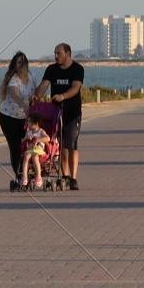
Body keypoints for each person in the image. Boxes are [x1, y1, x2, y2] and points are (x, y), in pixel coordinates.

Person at [36, 43, 85, 190]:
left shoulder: (77, 69)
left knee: (72, 144)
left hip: (73, 113)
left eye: (59, 53)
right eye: (55, 53)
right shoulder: (51, 69)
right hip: (55, 113)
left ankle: (74, 178)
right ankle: (65, 176)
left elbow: (76, 87)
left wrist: (63, 96)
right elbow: (44, 85)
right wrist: (36, 96)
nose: (56, 56)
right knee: (61, 144)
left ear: (68, 54)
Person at [0, 51, 37, 190]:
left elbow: (36, 93)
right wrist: (25, 105)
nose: (20, 65)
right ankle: (20, 176)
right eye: (17, 63)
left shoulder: (32, 76)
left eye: (22, 62)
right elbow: (15, 95)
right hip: (9, 118)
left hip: (26, 119)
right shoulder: (13, 79)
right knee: (15, 148)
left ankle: (27, 174)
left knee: (28, 147)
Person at [19, 110, 50, 191]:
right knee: (26, 156)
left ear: (36, 123)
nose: (27, 124)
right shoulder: (29, 132)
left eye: (29, 122)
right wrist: (26, 138)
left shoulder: (41, 131)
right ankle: (24, 176)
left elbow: (48, 138)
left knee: (35, 157)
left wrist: (38, 140)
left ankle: (38, 176)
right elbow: (22, 141)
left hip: (39, 150)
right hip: (30, 149)